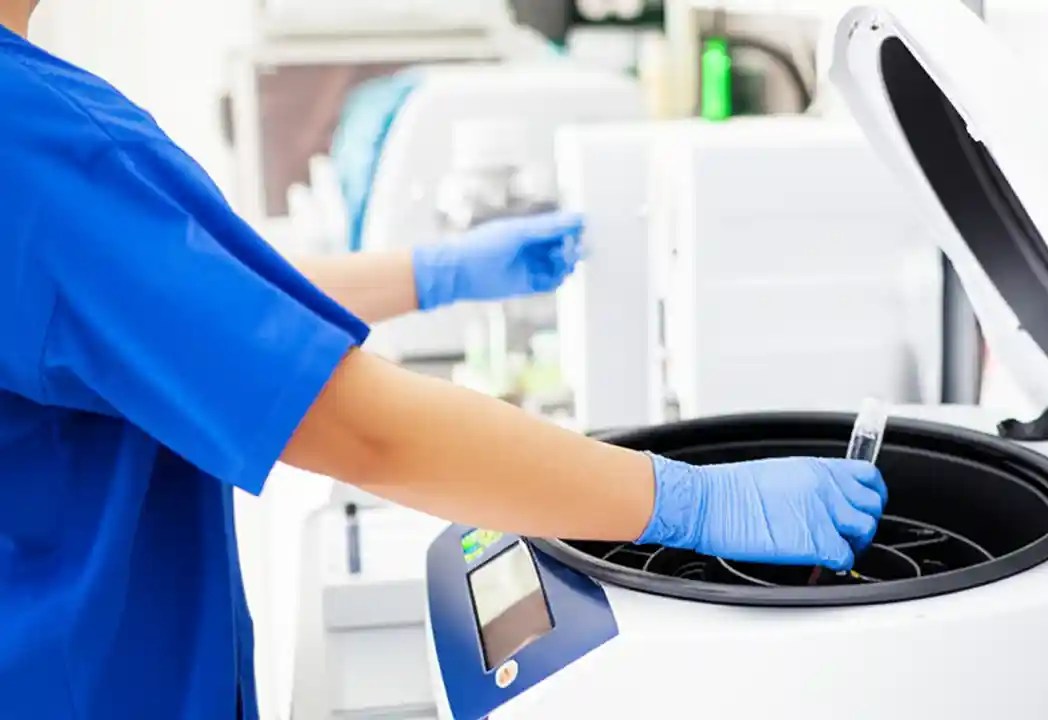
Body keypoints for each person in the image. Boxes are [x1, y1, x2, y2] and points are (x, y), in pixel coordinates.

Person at [0, 4, 887, 719]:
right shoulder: (30, 134)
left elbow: (188, 308)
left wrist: (437, 274)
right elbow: (359, 430)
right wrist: (692, 499)